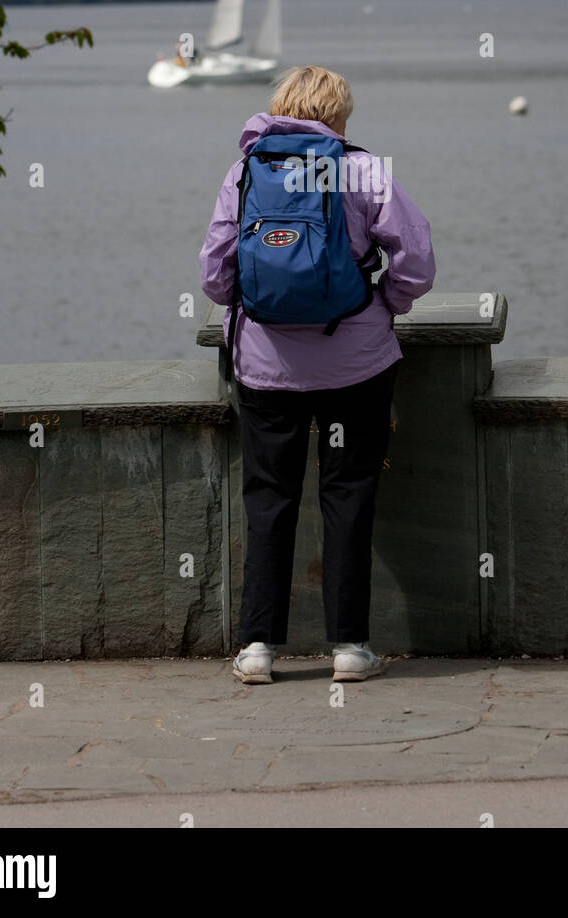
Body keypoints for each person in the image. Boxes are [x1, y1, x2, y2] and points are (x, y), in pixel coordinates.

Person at [199, 65, 435, 685]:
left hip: (265, 365)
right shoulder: (363, 169)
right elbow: (415, 259)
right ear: (339, 115)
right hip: (356, 362)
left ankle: (257, 649)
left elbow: (216, 274)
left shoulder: (246, 171)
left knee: (269, 498)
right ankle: (350, 648)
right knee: (349, 494)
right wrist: (387, 304)